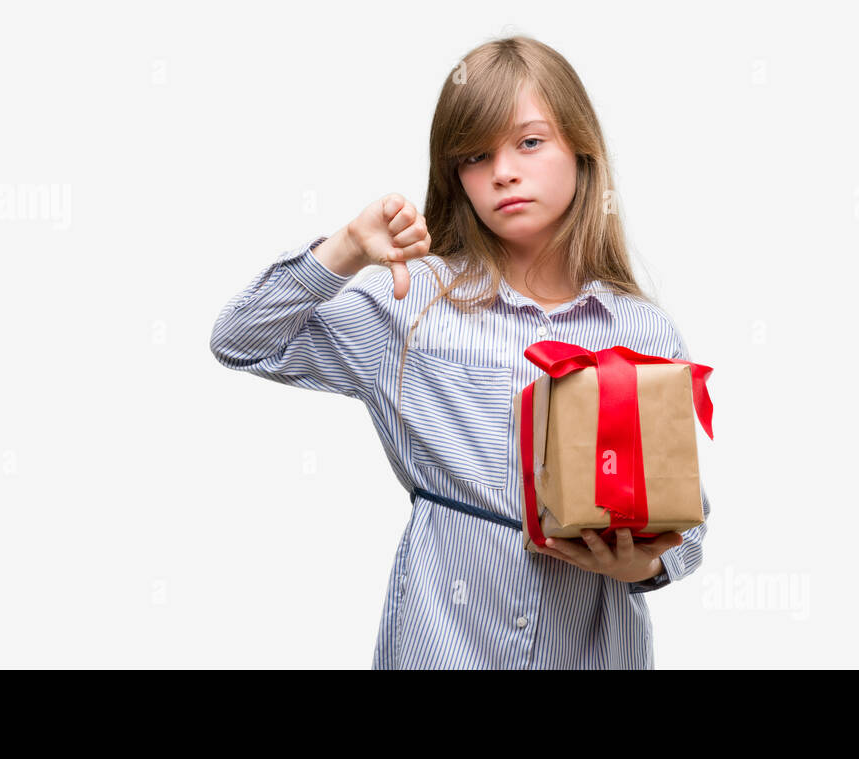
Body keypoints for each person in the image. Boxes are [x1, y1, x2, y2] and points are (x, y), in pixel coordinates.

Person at [209, 35, 711, 669]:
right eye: (476, 154)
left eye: (530, 142)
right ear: (455, 176)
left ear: (581, 151)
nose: (503, 171)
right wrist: (344, 249)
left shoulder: (643, 331)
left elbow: (688, 520)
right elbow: (241, 340)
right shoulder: (410, 303)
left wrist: (646, 562)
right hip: (444, 643)